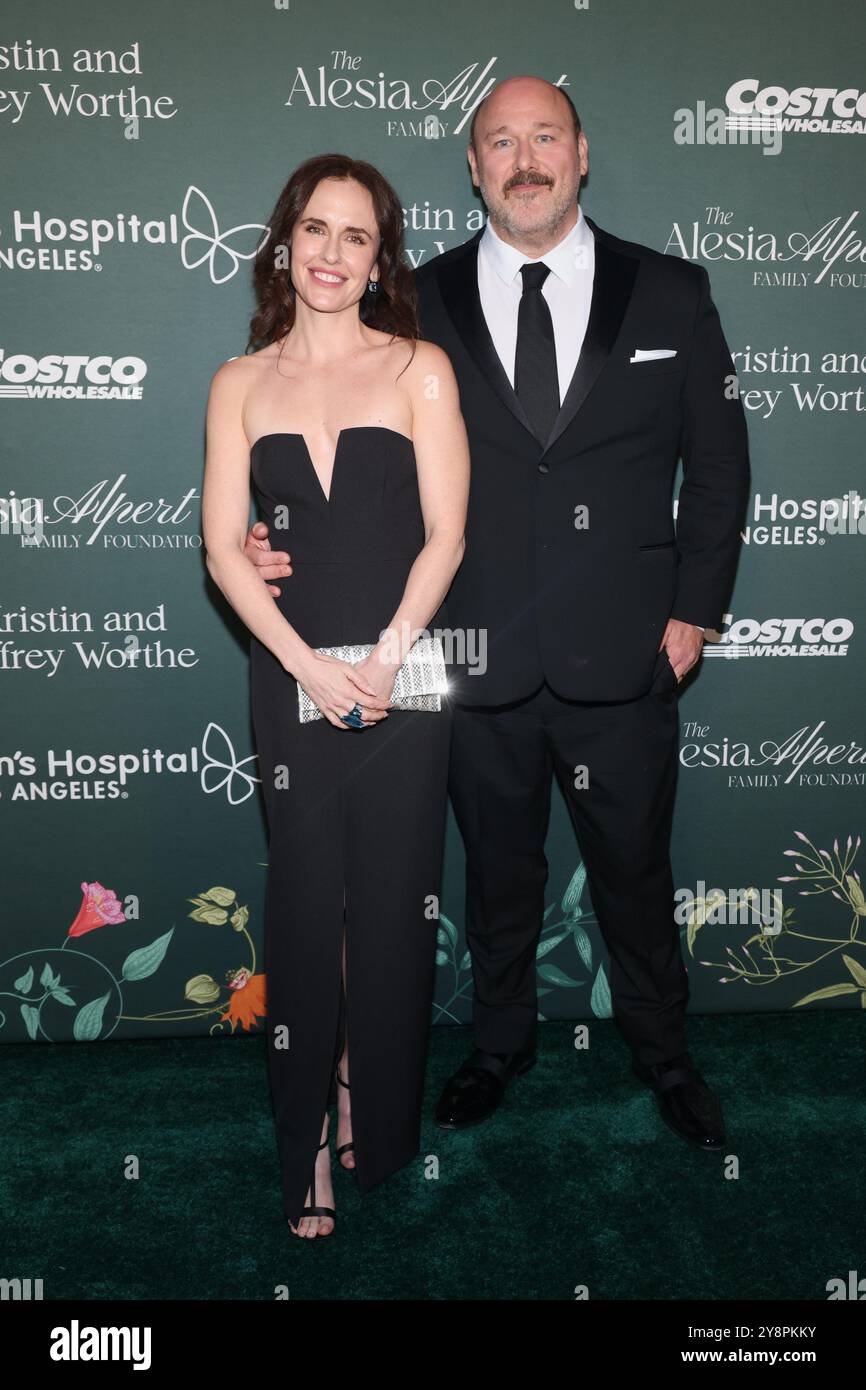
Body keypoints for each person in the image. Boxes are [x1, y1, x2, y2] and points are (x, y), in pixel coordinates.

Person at [241, 76, 750, 1154]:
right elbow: (358, 457)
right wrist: (267, 530)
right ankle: (497, 1046)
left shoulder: (670, 291)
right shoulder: (411, 303)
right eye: (498, 142)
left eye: (544, 137)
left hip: (626, 649)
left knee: (635, 873)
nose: (523, 158)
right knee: (494, 876)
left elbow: (716, 469)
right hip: (464, 656)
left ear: (580, 153)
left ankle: (663, 1056)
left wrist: (694, 613)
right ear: (471, 168)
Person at [202, 153, 469, 1237]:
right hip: (288, 675)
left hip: (403, 674)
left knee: (393, 904)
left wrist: (385, 658)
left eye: (355, 236)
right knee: (308, 906)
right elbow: (225, 548)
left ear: (378, 259)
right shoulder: (238, 380)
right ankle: (306, 1125)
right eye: (314, 229)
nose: (329, 252)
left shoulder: (419, 368)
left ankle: (371, 1096)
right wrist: (309, 666)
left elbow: (448, 534)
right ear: (283, 241)